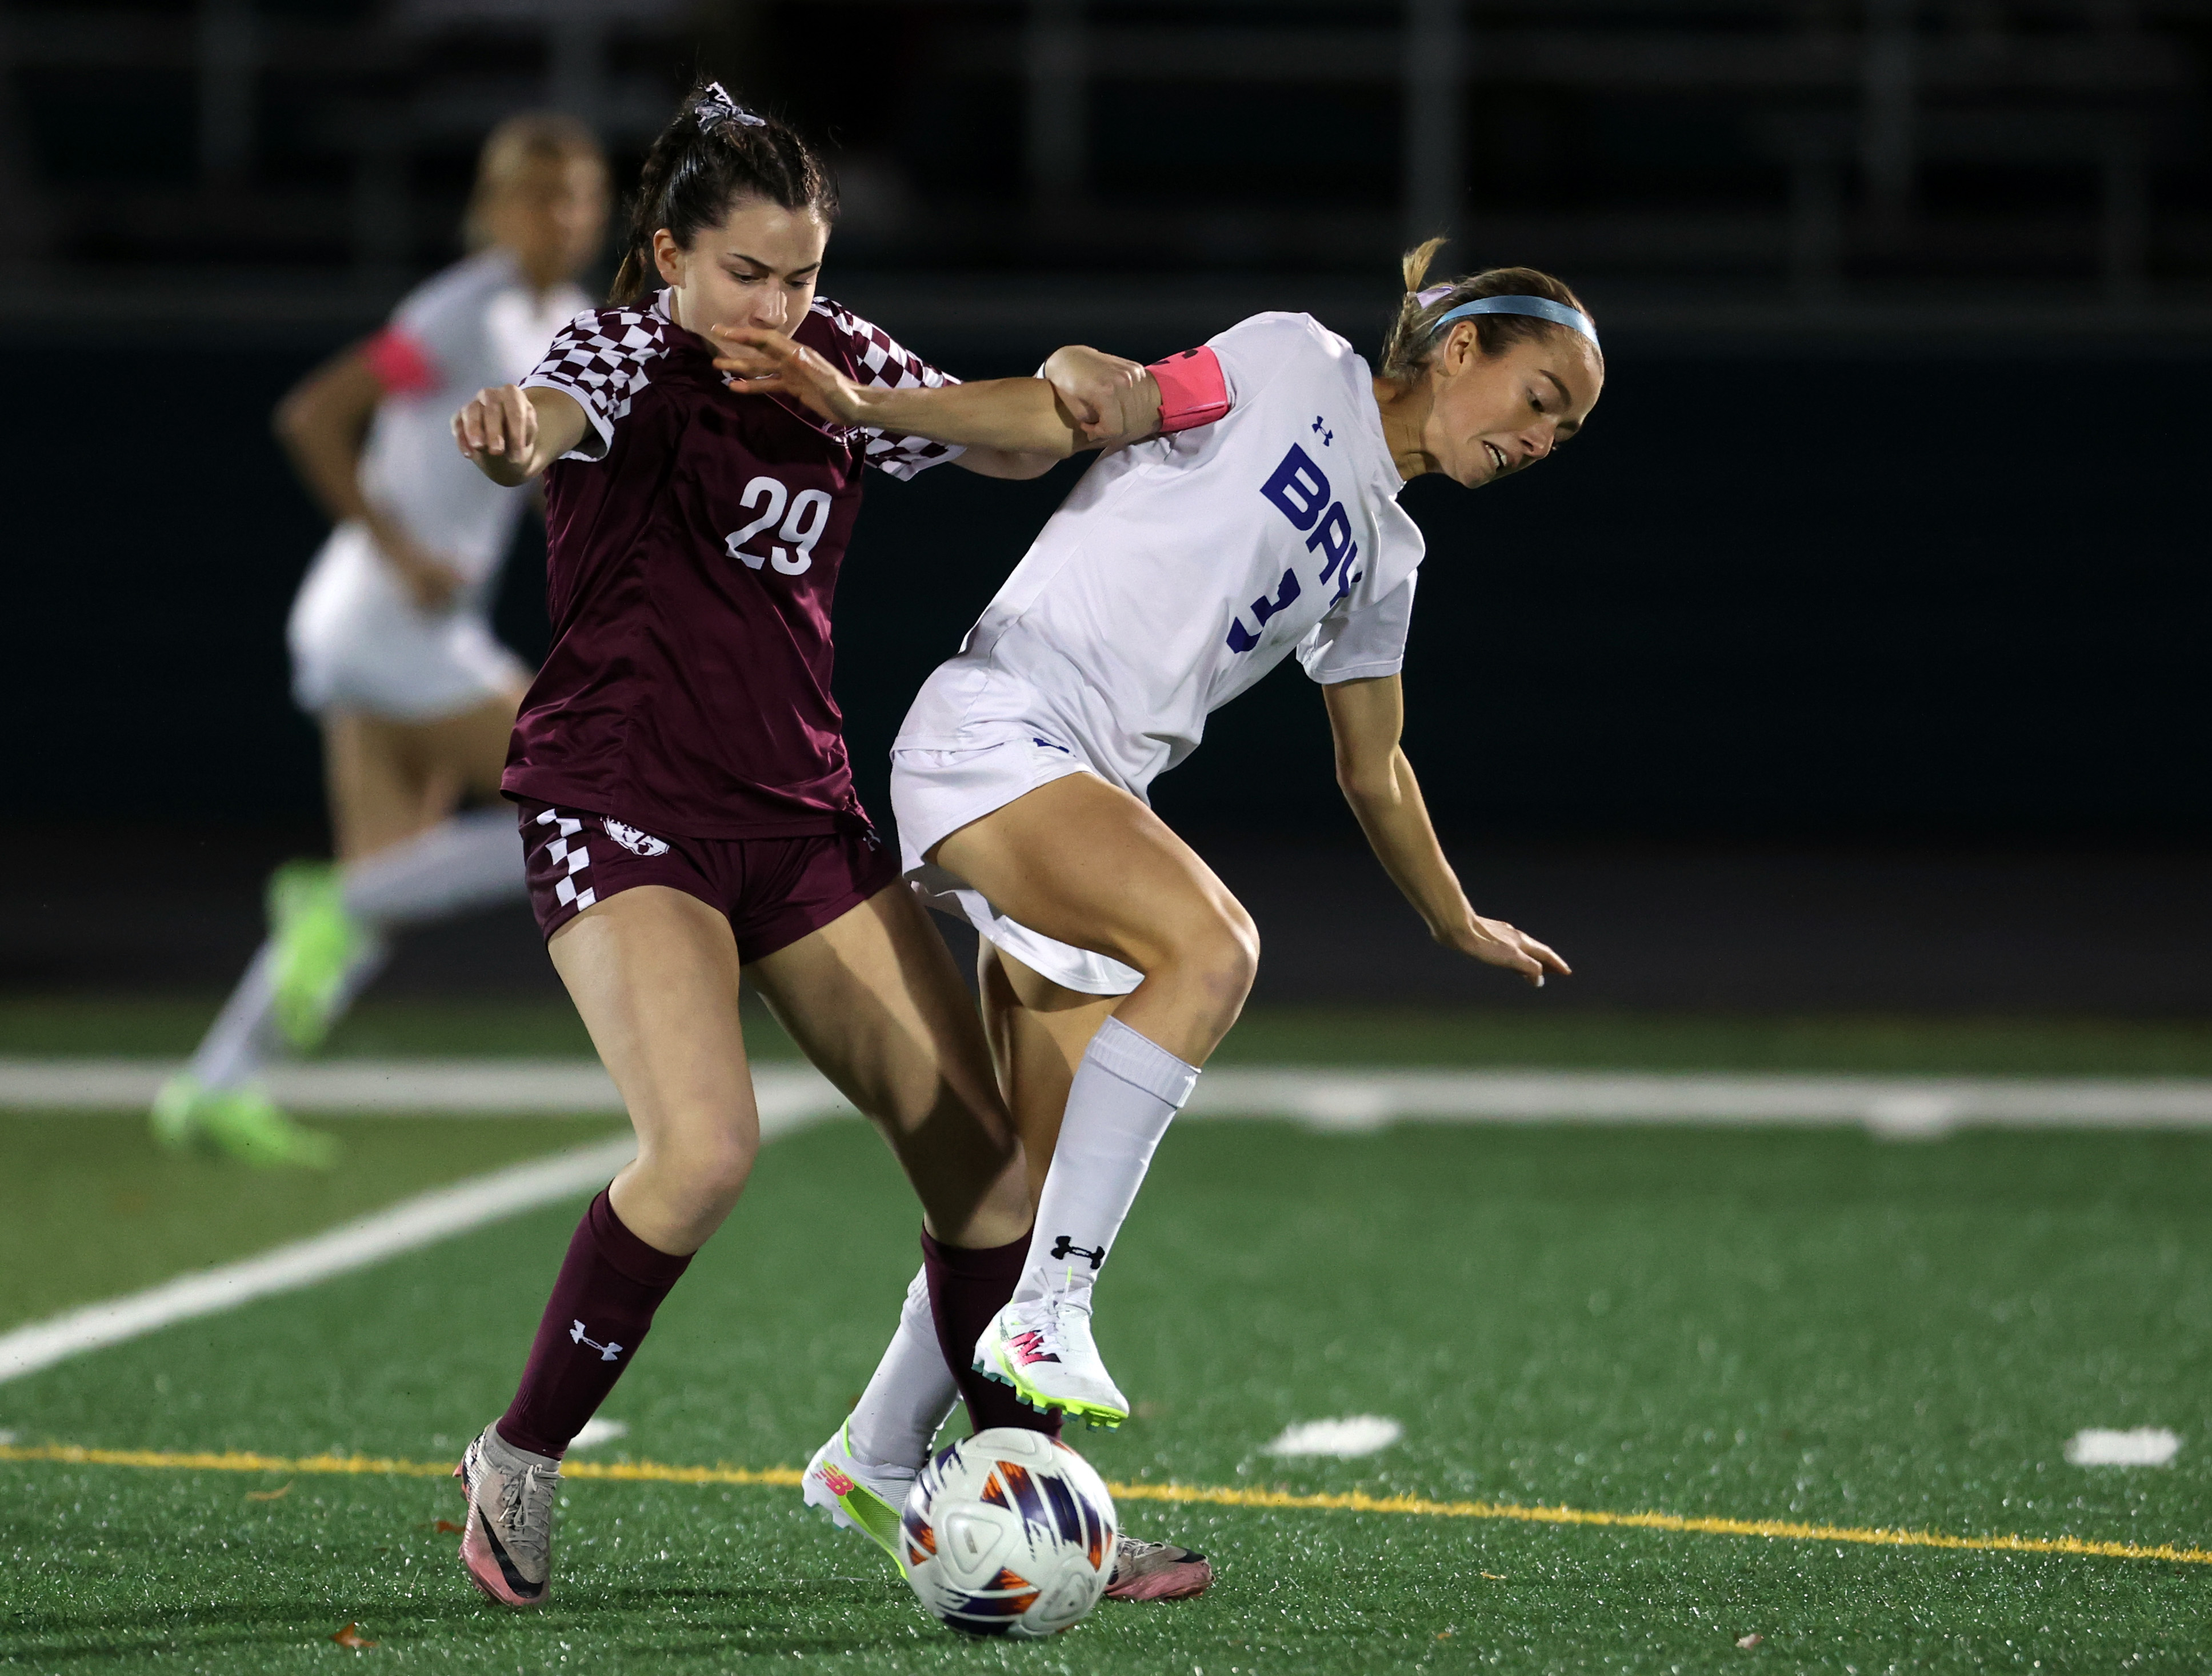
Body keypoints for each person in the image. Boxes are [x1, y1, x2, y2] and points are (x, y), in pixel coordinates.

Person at [713, 238, 1597, 1594]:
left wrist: (1453, 918)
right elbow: (1095, 408)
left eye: (1571, 428)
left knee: (1025, 1193)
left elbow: (1375, 767)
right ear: (1463, 350)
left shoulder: (1392, 552)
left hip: (1086, 793)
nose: (1547, 438)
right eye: (1542, 397)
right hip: (1001, 729)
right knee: (1211, 947)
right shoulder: (1292, 357)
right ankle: (1057, 1314)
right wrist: (874, 407)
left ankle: (885, 1455)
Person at [441, 81, 1207, 1611]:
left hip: (794, 810)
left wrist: (1005, 397)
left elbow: (1007, 443)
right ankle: (519, 1454)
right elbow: (550, 418)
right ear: (669, 256)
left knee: (987, 1171)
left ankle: (1044, 1505)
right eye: (748, 273)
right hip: (622, 797)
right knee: (707, 1147)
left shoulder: (835, 355)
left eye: (802, 271)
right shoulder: (626, 349)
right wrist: (513, 435)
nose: (780, 302)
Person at [152, 113, 611, 1167]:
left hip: (406, 630)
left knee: (390, 887)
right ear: (495, 208)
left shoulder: (571, 319)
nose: (567, 215)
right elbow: (314, 415)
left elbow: (546, 483)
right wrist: (399, 547)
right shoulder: (459, 311)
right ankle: (331, 895)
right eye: (543, 195)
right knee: (585, 796)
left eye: (583, 195)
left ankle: (214, 1085)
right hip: (383, 617)